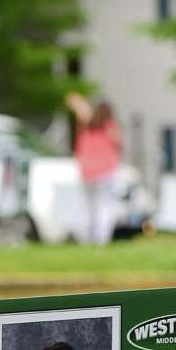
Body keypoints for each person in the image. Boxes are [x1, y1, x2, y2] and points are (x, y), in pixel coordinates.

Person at [66, 92, 122, 245]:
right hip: (105, 172)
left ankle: (85, 239)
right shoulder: (110, 126)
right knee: (103, 205)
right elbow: (119, 145)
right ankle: (101, 239)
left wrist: (77, 101)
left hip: (86, 172)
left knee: (85, 206)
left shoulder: (87, 125)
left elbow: (78, 106)